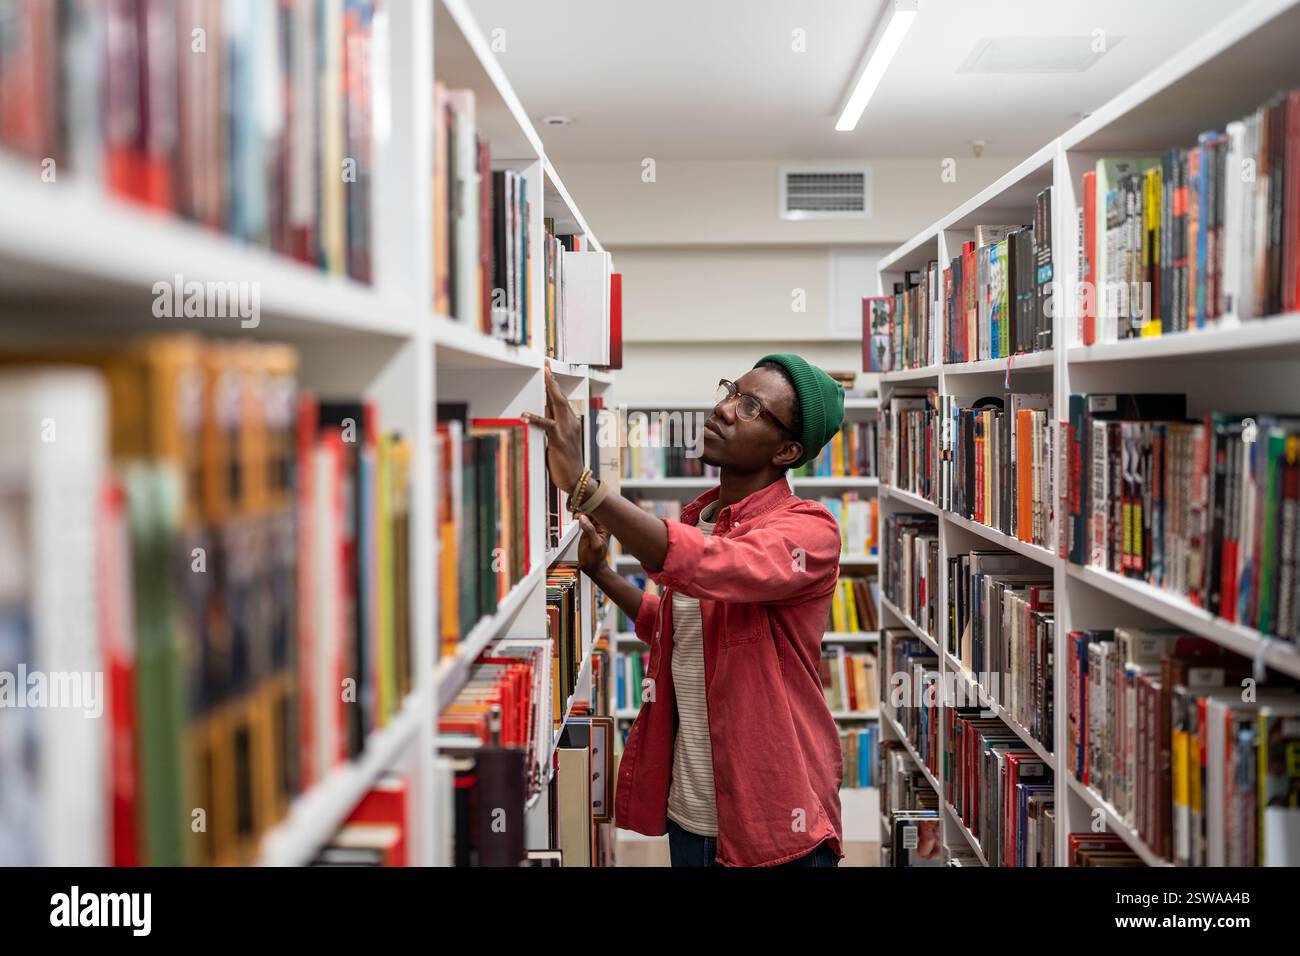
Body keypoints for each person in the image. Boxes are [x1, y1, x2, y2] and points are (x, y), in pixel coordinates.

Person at [524, 354, 846, 868]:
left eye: (748, 406)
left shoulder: (810, 531)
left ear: (787, 450)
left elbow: (717, 565)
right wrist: (601, 573)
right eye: (728, 391)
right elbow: (679, 634)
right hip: (689, 814)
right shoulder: (706, 519)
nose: (721, 409)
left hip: (774, 819)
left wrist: (587, 488)